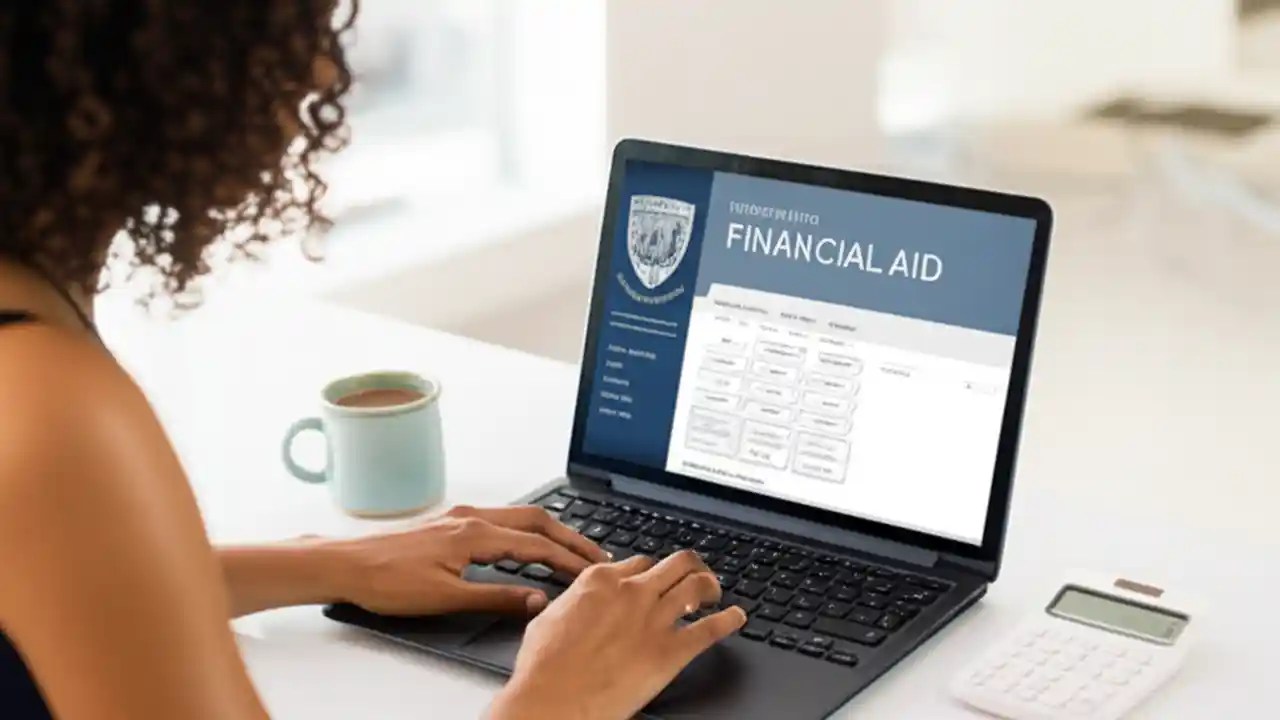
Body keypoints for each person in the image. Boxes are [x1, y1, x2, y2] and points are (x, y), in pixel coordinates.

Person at [0, 3, 745, 719]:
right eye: (286, 29)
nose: (325, 73)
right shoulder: (60, 414)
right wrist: (560, 695)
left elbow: (76, 587)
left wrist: (328, 563)